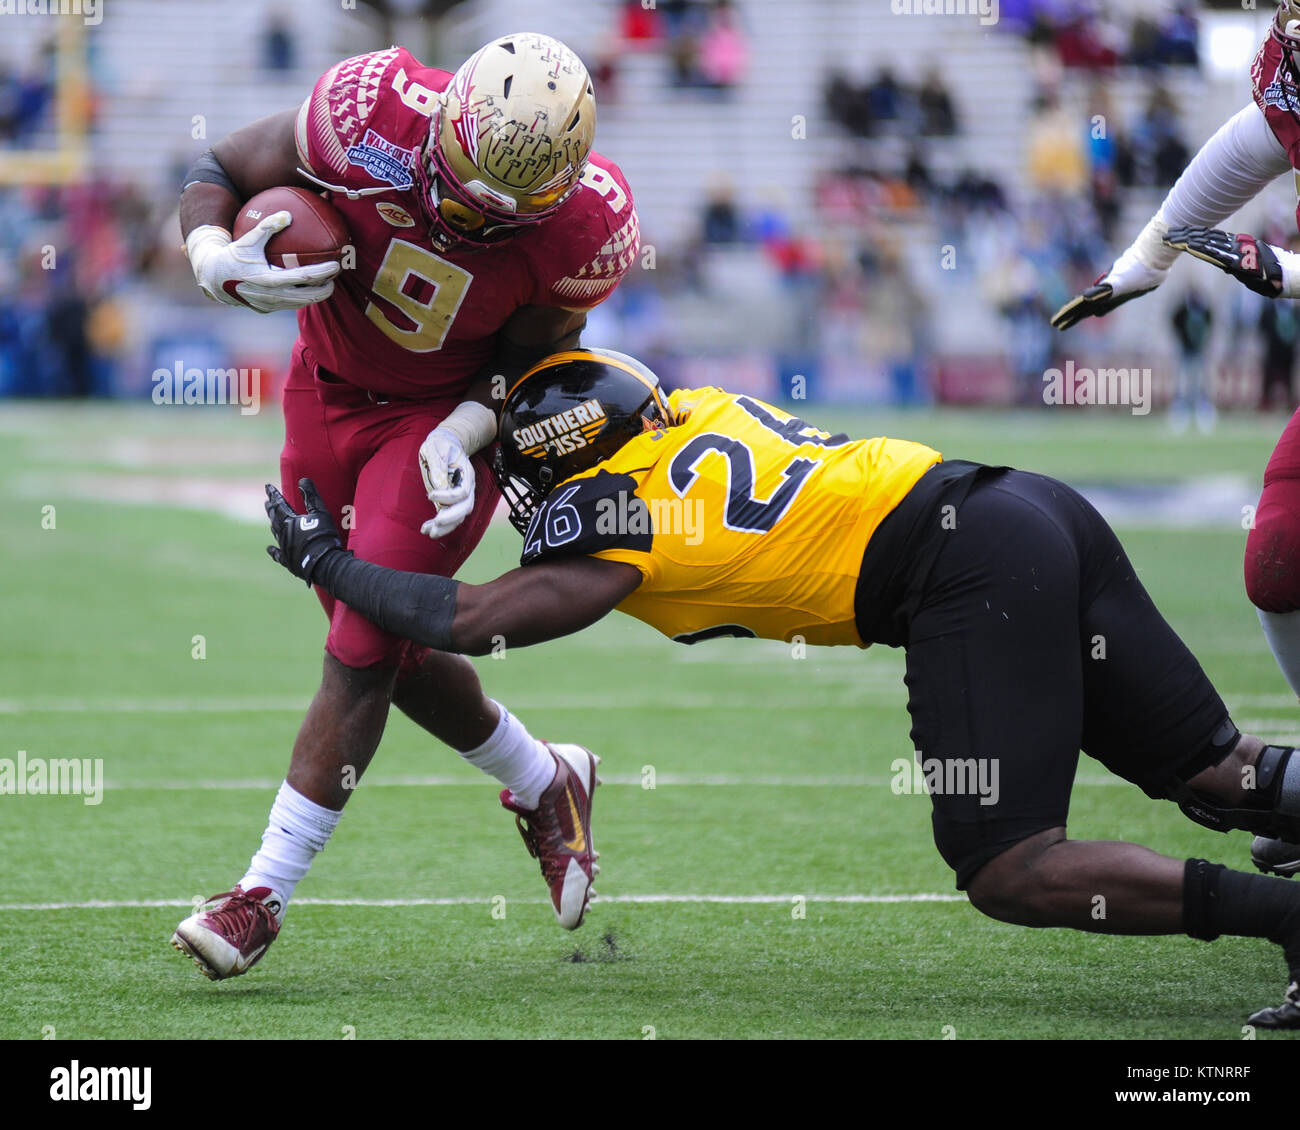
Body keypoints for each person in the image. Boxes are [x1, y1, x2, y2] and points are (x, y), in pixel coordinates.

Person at [263, 346, 1300, 1028]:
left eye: (534, 472)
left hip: (964, 571)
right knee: (1216, 770)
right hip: (1023, 502)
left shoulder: (623, 525)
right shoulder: (689, 407)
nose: (528, 494)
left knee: (1008, 865)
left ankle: (1287, 920)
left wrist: (329, 562)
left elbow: (468, 619)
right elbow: (576, 385)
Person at [170, 33, 639, 980]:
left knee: (361, 646)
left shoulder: (583, 226)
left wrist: (468, 428)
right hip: (321, 386)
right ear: (449, 120)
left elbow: (531, 354)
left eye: (499, 213)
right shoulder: (368, 107)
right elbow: (220, 166)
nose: (470, 217)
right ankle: (545, 779)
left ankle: (260, 896)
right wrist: (213, 253)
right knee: (386, 637)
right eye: (463, 183)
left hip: (431, 427)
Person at [1050, 0, 1300, 880]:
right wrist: (1140, 269)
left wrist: (1288, 273)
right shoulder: (1290, 70)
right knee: (1280, 554)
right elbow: (1246, 148)